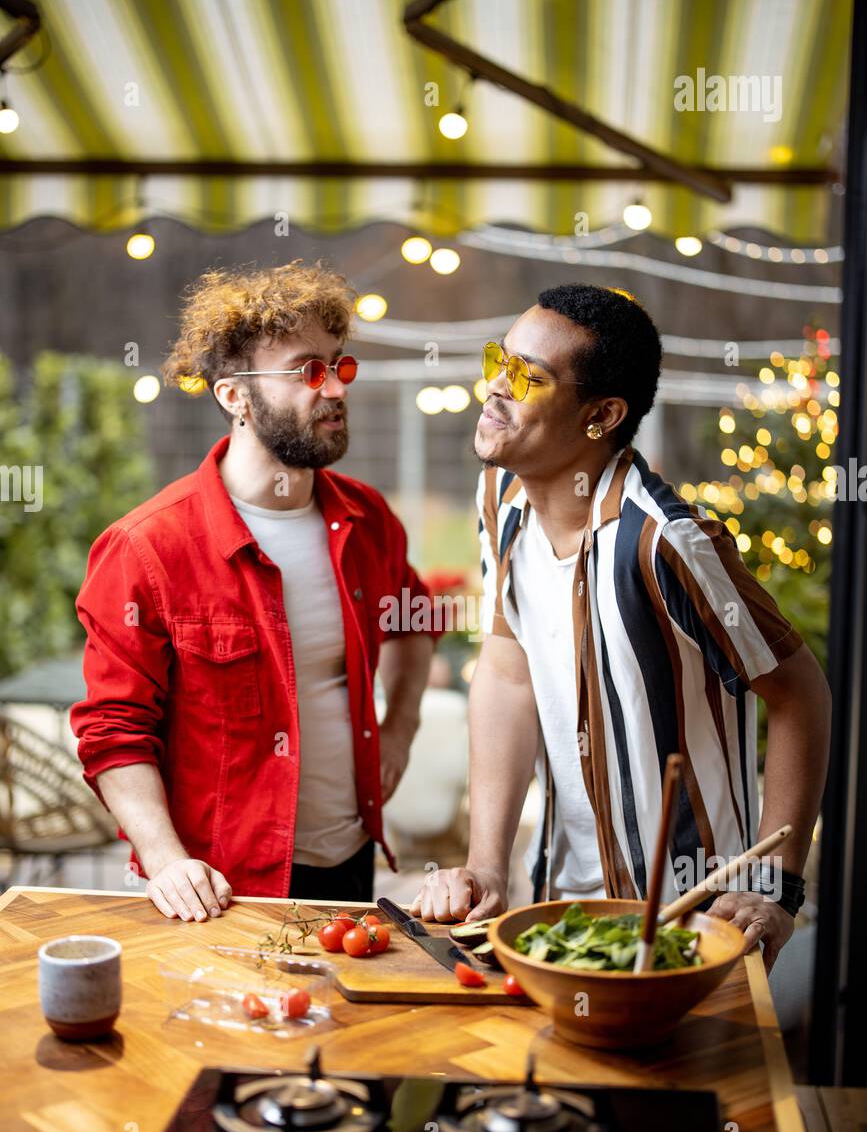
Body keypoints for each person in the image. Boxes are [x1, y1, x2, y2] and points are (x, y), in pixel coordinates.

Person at [413, 284, 831, 972]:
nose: (494, 386)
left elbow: (799, 693)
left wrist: (774, 889)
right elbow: (507, 667)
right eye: (499, 360)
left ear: (601, 415)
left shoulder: (667, 542)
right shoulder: (500, 497)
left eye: (528, 376)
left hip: (694, 927)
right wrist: (486, 867)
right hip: (558, 911)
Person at [71, 261, 436, 921]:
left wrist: (401, 729)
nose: (334, 389)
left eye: (338, 365)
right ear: (233, 395)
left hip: (349, 860)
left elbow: (416, 617)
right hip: (217, 883)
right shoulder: (147, 547)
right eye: (306, 370)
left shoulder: (368, 519)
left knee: (337, 1026)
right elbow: (114, 731)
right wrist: (165, 860)